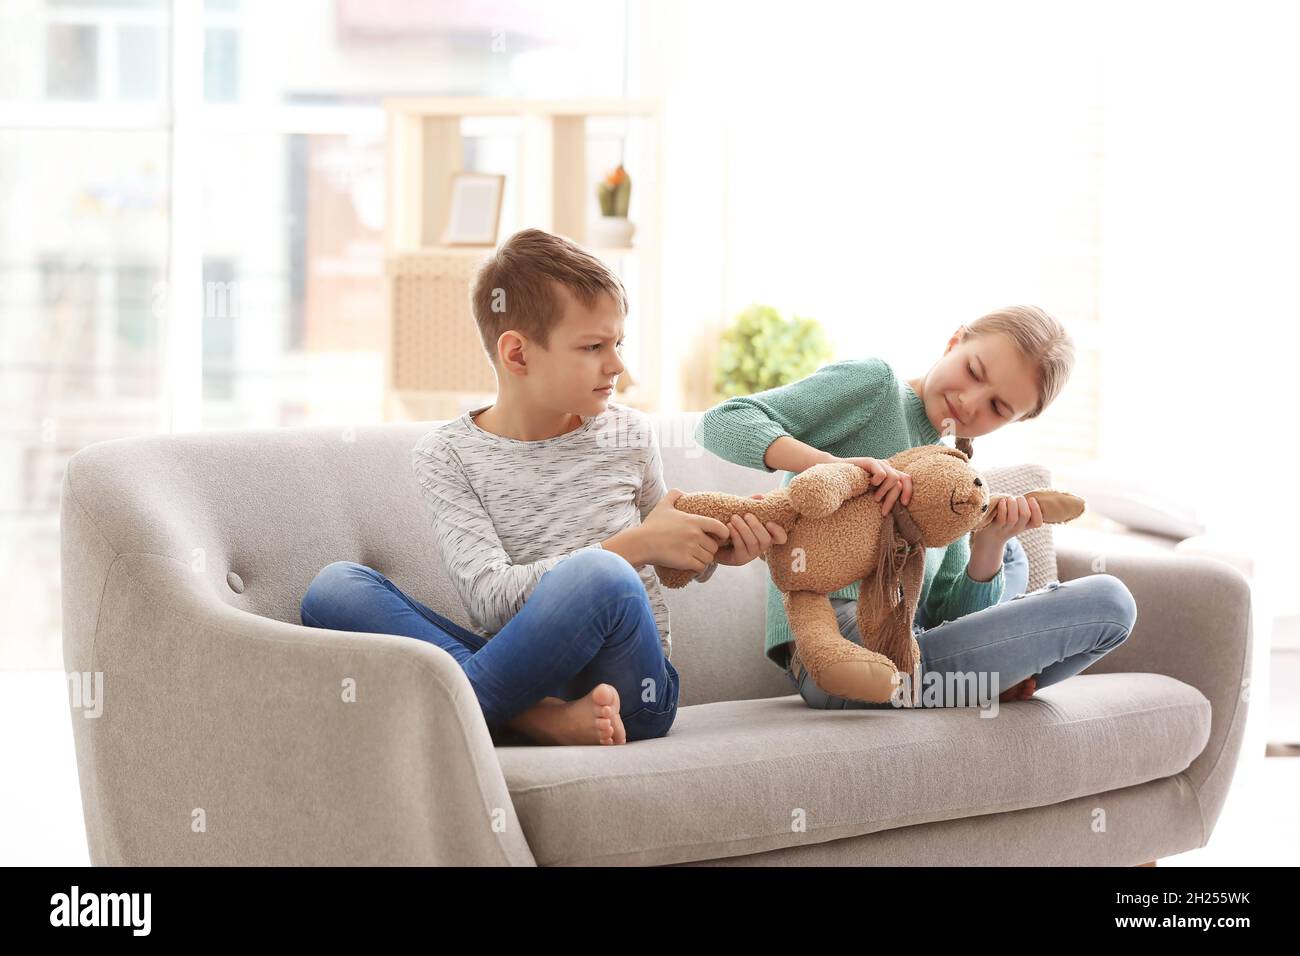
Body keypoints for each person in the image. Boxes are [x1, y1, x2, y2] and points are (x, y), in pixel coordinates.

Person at [300, 229, 786, 744]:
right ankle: (536, 716)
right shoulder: (446, 456)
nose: (617, 364)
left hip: (632, 693)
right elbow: (490, 600)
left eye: (617, 343)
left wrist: (711, 552)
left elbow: (656, 568)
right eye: (593, 346)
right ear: (517, 355)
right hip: (522, 672)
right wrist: (633, 546)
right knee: (335, 589)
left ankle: (485, 712)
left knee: (605, 576)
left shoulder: (628, 433)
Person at [694, 305, 1137, 710]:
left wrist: (989, 546)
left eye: (998, 407)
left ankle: (979, 683)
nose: (969, 401)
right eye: (973, 370)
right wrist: (831, 465)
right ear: (954, 342)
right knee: (1111, 602)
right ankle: (982, 683)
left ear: (1015, 421)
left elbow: (953, 617)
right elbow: (722, 421)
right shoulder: (874, 388)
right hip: (836, 647)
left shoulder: (955, 480)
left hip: (911, 646)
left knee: (1012, 555)